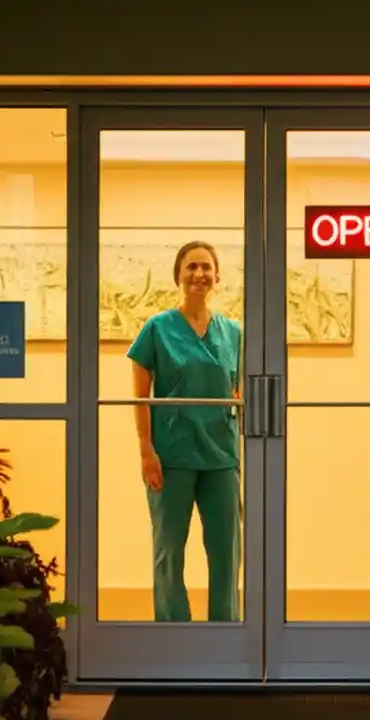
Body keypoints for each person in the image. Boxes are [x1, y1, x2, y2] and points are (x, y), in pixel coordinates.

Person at [127, 241, 242, 622]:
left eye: (206, 267)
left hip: (220, 455)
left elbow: (240, 392)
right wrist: (146, 449)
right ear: (178, 275)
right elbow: (140, 398)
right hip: (171, 453)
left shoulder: (233, 333)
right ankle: (173, 636)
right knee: (169, 549)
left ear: (217, 276)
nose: (199, 274)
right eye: (191, 267)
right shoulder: (157, 328)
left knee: (226, 549)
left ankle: (225, 633)